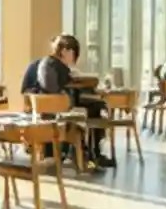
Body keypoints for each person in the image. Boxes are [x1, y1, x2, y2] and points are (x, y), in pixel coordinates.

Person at [21, 34, 114, 168]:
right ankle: (92, 155)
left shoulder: (49, 64)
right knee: (96, 108)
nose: (73, 57)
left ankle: (86, 153)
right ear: (64, 51)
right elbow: (55, 89)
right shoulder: (54, 65)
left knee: (93, 107)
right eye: (73, 53)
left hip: (48, 109)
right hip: (56, 109)